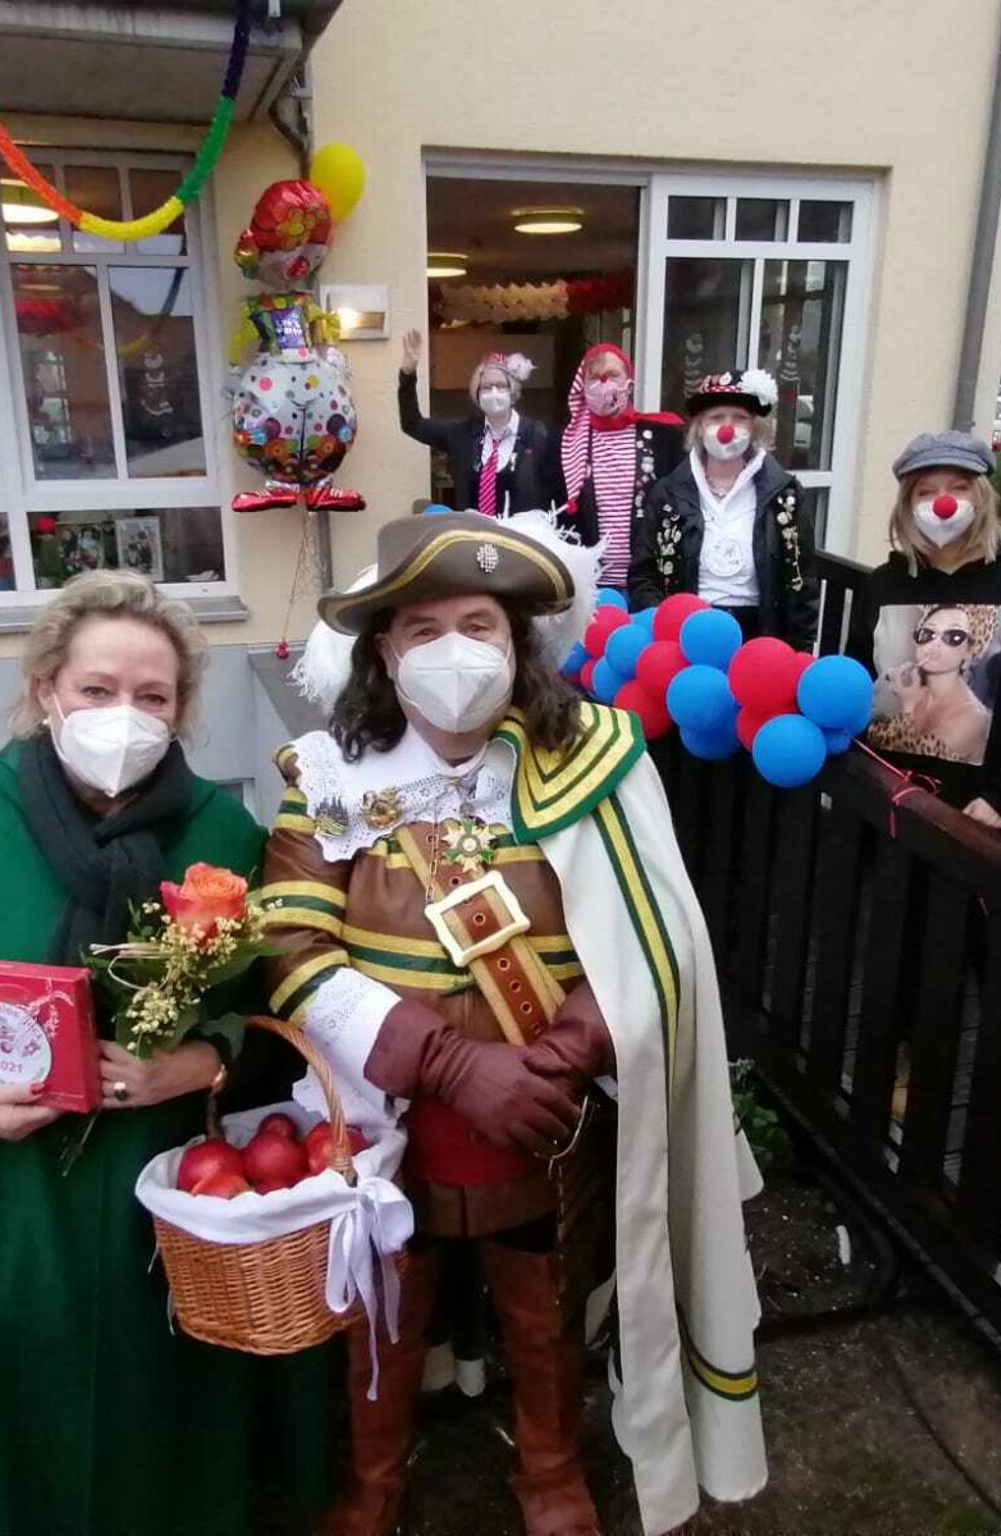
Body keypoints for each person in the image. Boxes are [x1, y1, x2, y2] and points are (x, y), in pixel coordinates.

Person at [263, 511, 766, 1536]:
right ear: (383, 654)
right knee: (382, 1306)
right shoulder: (323, 780)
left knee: (546, 1304)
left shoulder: (595, 766)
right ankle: (373, 1485)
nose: (453, 650)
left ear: (516, 641)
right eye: (422, 629)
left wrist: (561, 1054)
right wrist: (449, 1064)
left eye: (479, 624)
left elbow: (647, 939)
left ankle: (549, 1469)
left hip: (546, 1108)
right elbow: (290, 953)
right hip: (383, 1114)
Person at [0, 571, 334, 1536]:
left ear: (183, 709)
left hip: (163, 1197)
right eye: (98, 691)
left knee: (163, 1411)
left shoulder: (222, 836)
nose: (125, 716)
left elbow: (281, 1018)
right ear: (45, 693)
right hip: (0, 1199)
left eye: (152, 697)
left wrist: (202, 1063)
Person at [846, 431, 1001, 832]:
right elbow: (855, 678)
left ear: (981, 496)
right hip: (885, 801)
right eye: (925, 492)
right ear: (907, 506)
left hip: (979, 812)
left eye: (958, 488)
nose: (942, 502)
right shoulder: (885, 584)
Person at [630, 368, 819, 646]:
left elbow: (803, 581)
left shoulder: (786, 496)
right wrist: (666, 624)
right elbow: (643, 574)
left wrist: (799, 650)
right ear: (700, 426)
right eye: (717, 417)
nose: (727, 428)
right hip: (690, 632)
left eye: (739, 418)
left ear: (754, 427)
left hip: (760, 635)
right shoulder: (668, 494)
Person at [557, 343, 683, 586]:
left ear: (629, 382)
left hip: (648, 582)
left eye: (613, 375)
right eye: (594, 377)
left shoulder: (663, 437)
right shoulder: (571, 443)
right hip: (593, 584)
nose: (604, 383)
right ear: (582, 388)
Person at [397, 329, 559, 517]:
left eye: (500, 385)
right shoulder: (463, 433)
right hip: (475, 540)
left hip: (521, 541)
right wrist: (407, 376)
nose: (493, 392)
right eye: (486, 387)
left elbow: (556, 494)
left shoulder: (539, 435)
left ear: (513, 392)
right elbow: (412, 424)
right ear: (477, 393)